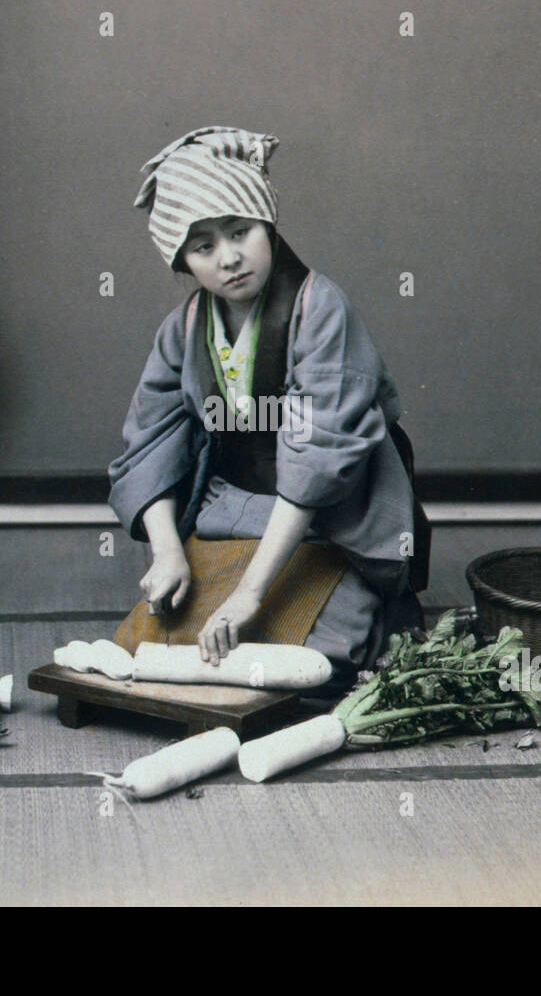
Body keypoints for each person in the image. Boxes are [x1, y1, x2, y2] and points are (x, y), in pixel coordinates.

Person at [108, 125, 430, 691]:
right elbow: (149, 443)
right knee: (158, 637)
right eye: (204, 246)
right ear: (183, 260)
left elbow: (318, 457)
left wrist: (251, 592)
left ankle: (370, 604)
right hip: (231, 506)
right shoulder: (184, 327)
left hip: (333, 513)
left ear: (268, 224)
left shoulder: (321, 308)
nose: (229, 258)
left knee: (320, 659)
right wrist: (167, 554)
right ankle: (224, 575)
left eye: (240, 232)